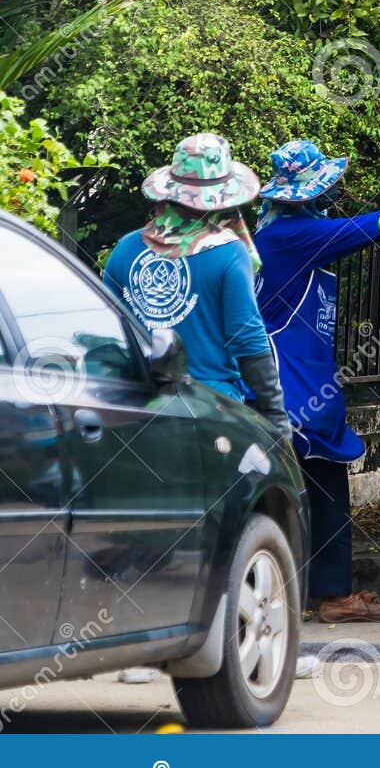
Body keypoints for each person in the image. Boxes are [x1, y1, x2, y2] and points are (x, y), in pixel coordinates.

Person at [103, 133, 291, 684]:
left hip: (134, 410)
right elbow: (250, 341)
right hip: (210, 413)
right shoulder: (229, 257)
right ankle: (242, 648)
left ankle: (139, 651)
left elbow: (107, 331)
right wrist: (276, 418)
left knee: (144, 531)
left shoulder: (124, 250)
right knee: (230, 534)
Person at [253, 140, 380, 625]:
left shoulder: (276, 233)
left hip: (300, 385)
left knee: (319, 493)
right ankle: (325, 596)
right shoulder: (293, 236)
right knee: (316, 493)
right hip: (293, 392)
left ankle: (322, 592)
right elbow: (368, 228)